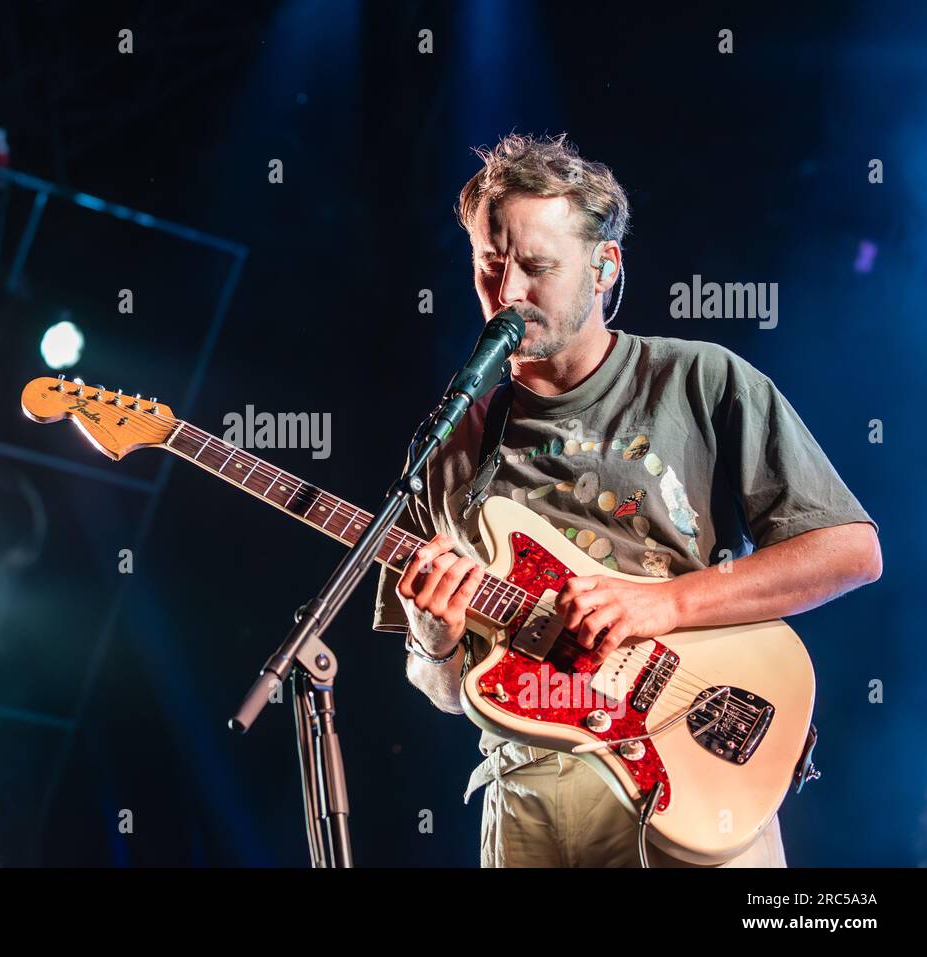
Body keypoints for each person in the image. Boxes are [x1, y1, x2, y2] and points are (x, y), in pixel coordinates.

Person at [372, 133, 881, 867]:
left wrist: (666, 604)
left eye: (538, 266)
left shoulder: (700, 381)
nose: (508, 291)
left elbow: (850, 551)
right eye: (490, 263)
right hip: (531, 807)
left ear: (605, 267)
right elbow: (446, 692)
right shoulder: (451, 443)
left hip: (692, 769)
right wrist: (433, 637)